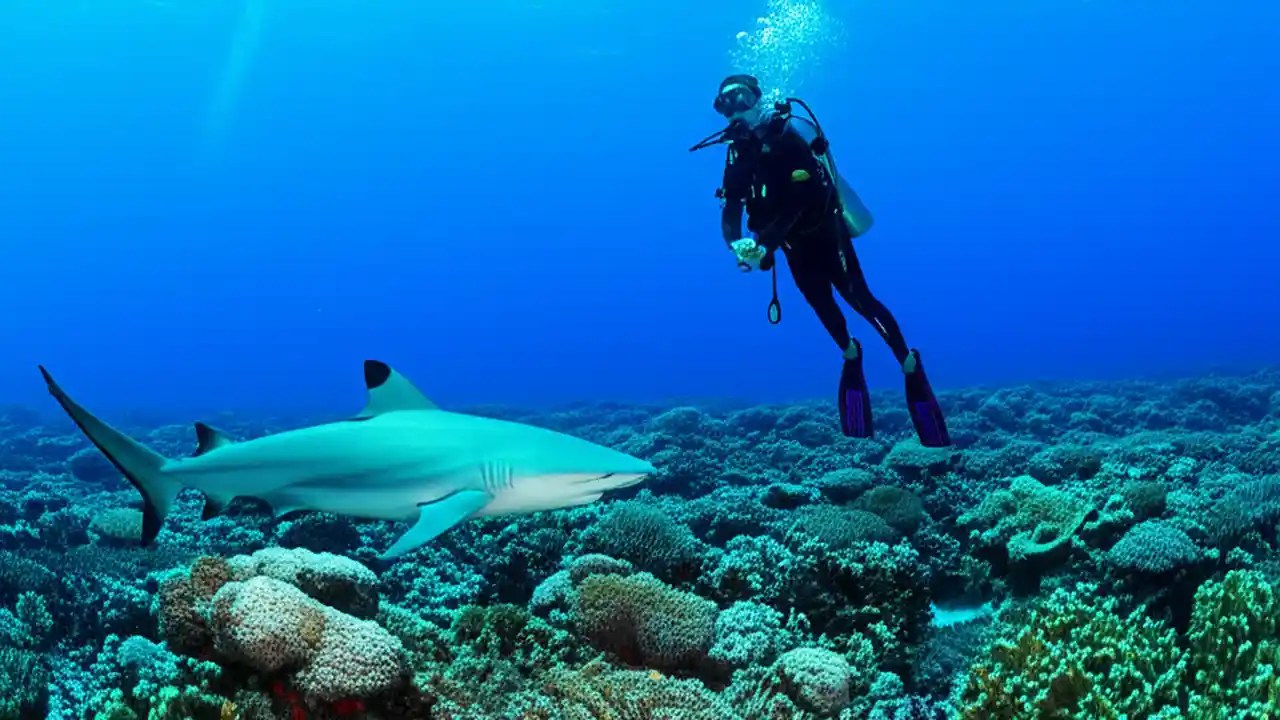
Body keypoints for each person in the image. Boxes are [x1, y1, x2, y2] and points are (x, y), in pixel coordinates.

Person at [693, 73, 951, 447]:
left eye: (742, 98)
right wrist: (736, 243)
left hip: (826, 234)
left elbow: (801, 200)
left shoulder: (789, 135)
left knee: (859, 299)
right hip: (790, 246)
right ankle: (850, 352)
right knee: (820, 304)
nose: (735, 109)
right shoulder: (736, 151)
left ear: (757, 98)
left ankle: (907, 363)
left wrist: (763, 244)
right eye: (725, 103)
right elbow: (731, 204)